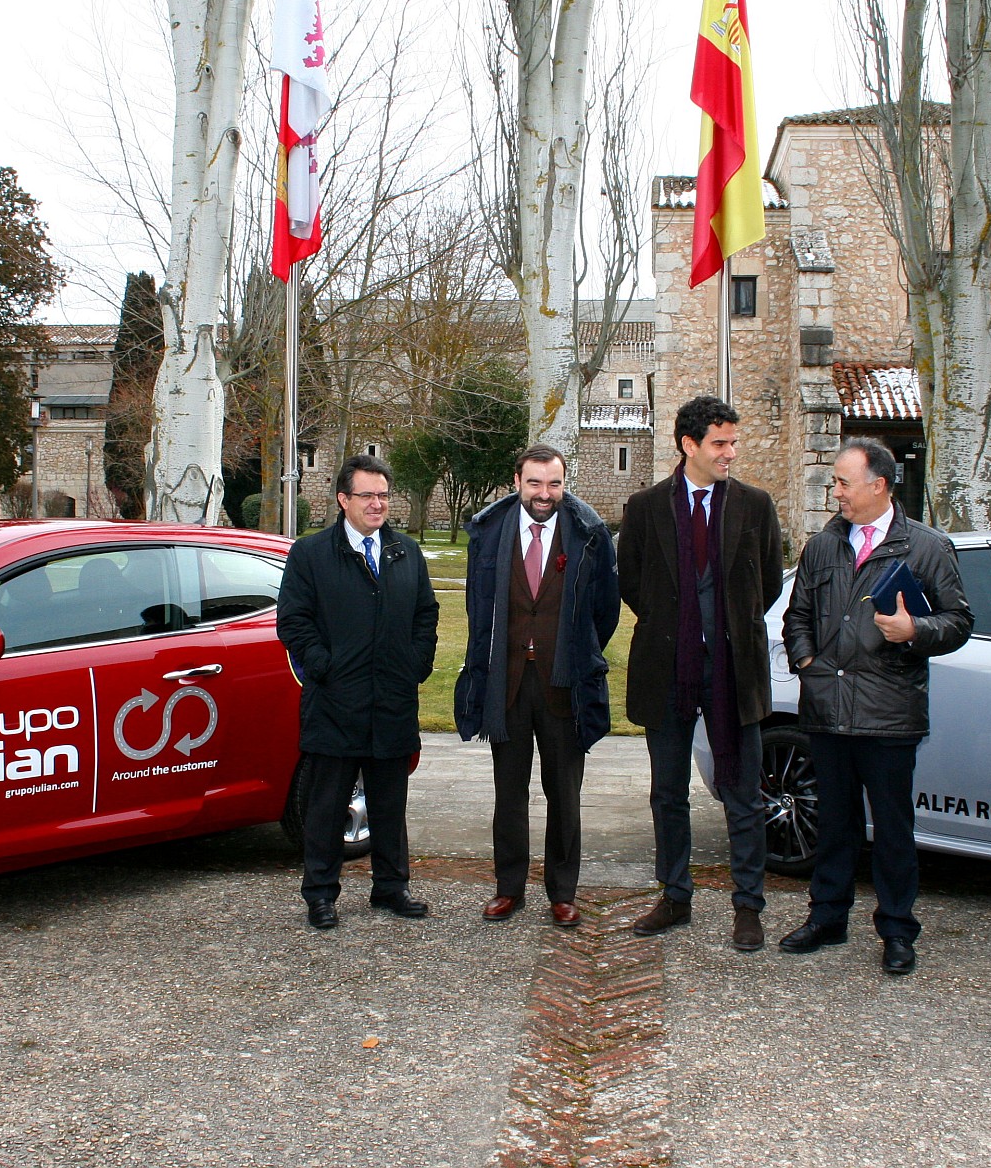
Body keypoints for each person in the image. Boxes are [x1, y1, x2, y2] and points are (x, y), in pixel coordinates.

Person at [780, 437, 973, 975]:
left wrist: (915, 630)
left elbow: (959, 622)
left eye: (843, 482)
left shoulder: (927, 547)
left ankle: (896, 931)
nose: (834, 491)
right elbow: (797, 615)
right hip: (827, 709)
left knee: (891, 829)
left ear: (879, 485)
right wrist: (805, 661)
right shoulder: (822, 546)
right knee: (834, 824)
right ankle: (827, 918)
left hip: (889, 715)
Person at [619, 396, 783, 952]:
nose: (730, 453)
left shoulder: (756, 506)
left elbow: (769, 584)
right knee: (668, 791)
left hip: (734, 671)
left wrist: (726, 627)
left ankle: (748, 906)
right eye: (720, 443)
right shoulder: (643, 509)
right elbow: (632, 583)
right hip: (668, 668)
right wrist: (679, 626)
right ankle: (674, 896)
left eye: (734, 442)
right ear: (689, 445)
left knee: (743, 792)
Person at [455, 445, 620, 928]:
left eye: (554, 484)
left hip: (562, 686)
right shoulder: (490, 534)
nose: (544, 494)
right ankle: (508, 888)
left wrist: (576, 651)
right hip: (505, 685)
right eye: (535, 483)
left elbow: (605, 611)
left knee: (564, 794)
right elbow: (476, 605)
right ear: (517, 480)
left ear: (564, 484)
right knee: (509, 794)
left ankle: (562, 892)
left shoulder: (588, 536)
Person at [276, 453, 440, 930]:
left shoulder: (405, 551)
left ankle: (392, 888)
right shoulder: (310, 554)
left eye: (384, 495)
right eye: (367, 495)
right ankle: (321, 894)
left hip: (392, 700)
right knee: (326, 806)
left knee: (389, 802)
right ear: (343, 499)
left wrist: (415, 663)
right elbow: (294, 621)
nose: (377, 504)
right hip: (335, 703)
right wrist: (323, 667)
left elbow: (424, 615)